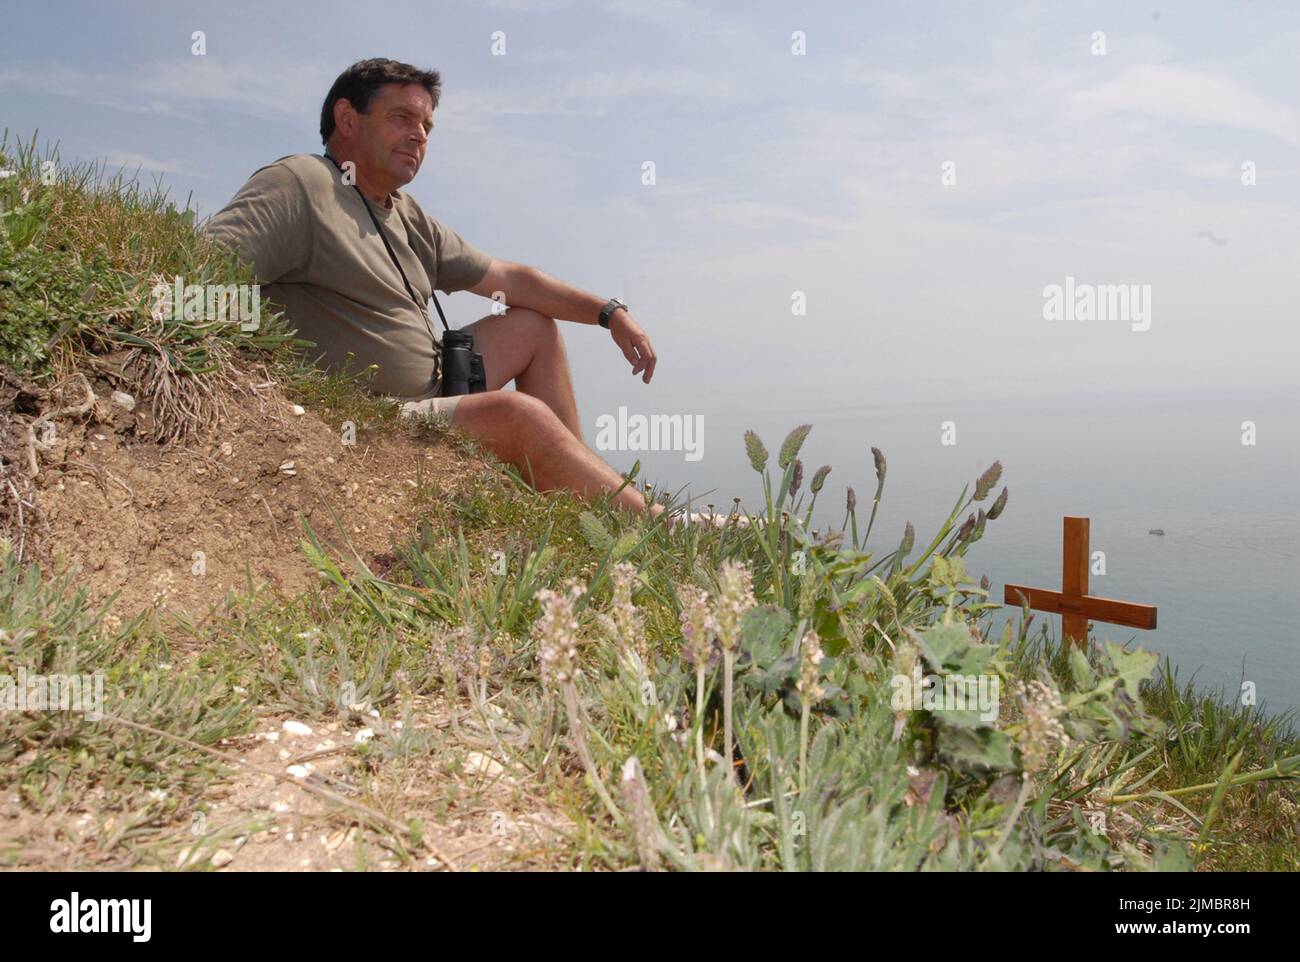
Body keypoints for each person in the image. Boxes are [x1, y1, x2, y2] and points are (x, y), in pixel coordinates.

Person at [205, 57, 663, 518]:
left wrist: (609, 313)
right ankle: (657, 526)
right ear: (347, 119)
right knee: (519, 414)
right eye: (402, 117)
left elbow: (510, 280)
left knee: (532, 328)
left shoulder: (403, 211)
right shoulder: (301, 185)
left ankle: (580, 491)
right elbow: (201, 268)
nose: (419, 134)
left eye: (426, 125)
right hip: (370, 414)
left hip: (434, 387)